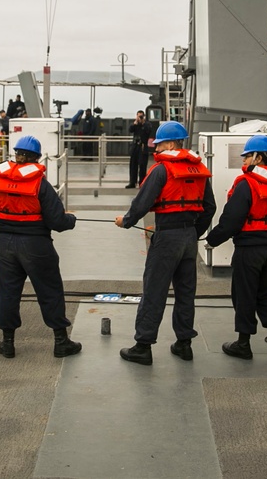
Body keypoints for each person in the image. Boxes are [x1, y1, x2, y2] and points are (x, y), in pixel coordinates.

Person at [0, 135, 81, 359]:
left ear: (16, 155)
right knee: (50, 290)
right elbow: (57, 221)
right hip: (36, 245)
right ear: (37, 158)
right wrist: (71, 220)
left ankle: (7, 343)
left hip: (5, 245)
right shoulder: (40, 184)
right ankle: (61, 342)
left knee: (8, 292)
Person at [115, 121, 215, 365]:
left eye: (159, 145)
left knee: (154, 291)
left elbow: (142, 203)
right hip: (189, 238)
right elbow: (209, 207)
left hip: (167, 237)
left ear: (170, 144)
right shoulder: (198, 169)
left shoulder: (161, 170)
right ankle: (184, 344)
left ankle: (143, 346)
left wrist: (126, 221)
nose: (156, 149)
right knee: (185, 292)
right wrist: (193, 232)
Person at [205, 135, 267, 361]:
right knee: (265, 294)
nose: (244, 161)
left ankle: (243, 344)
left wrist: (212, 240)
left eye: (247, 156)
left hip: (249, 249)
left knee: (244, 295)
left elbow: (231, 220)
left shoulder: (247, 184)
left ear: (258, 158)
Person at [126, 110, 153, 188]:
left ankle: (142, 182)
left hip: (143, 146)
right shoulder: (135, 124)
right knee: (133, 164)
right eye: (139, 116)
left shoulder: (147, 124)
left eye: (141, 116)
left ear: (144, 116)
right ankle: (132, 182)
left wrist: (143, 123)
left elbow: (148, 131)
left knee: (142, 165)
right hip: (135, 146)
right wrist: (135, 123)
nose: (140, 118)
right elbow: (130, 130)